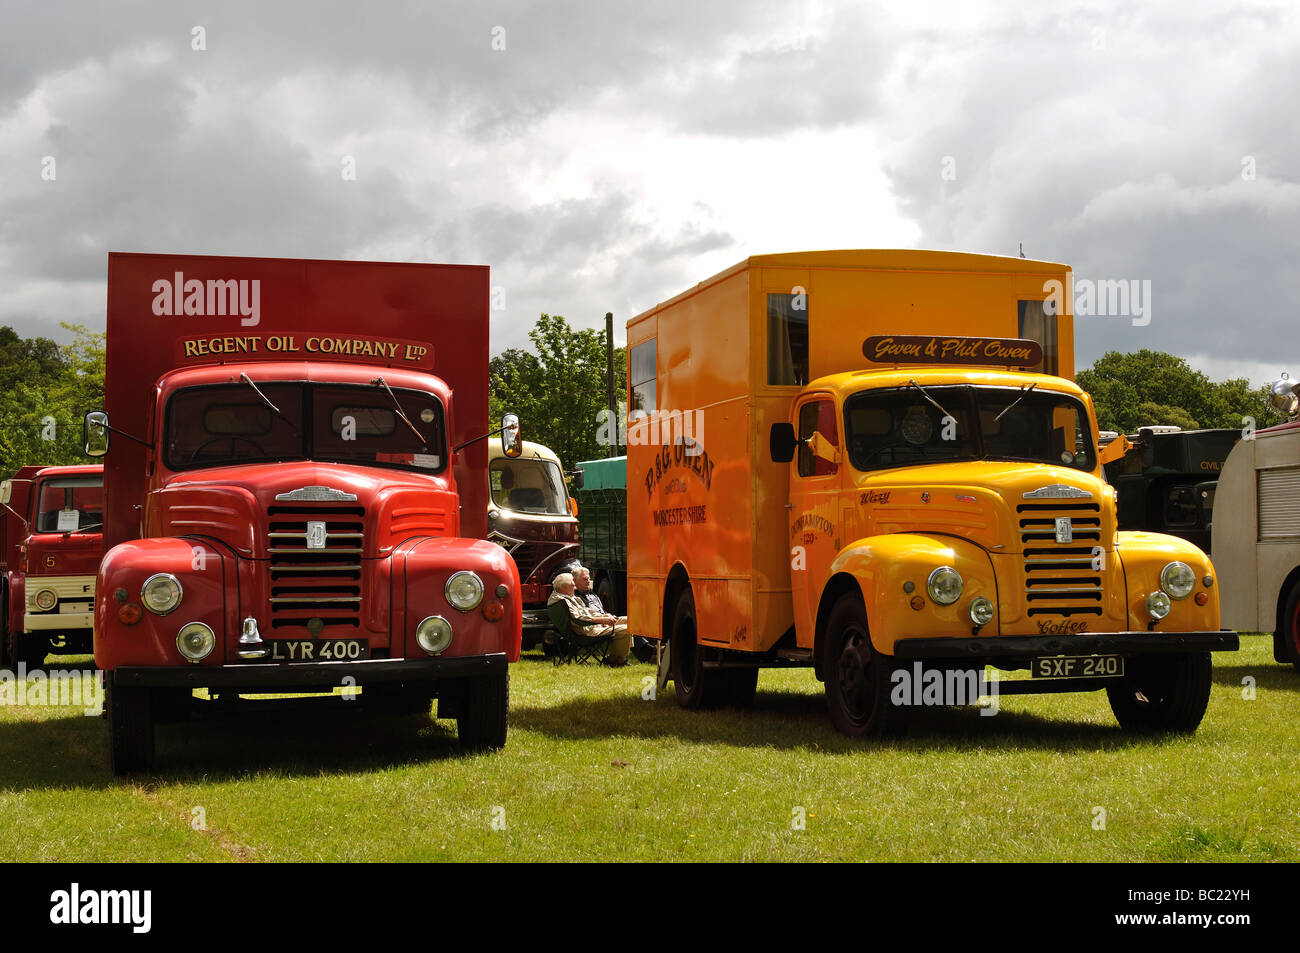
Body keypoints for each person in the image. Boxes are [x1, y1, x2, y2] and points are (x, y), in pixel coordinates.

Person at [571, 564, 655, 663]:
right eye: (585, 579)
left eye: (589, 579)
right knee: (626, 628)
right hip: (597, 624)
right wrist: (602, 619)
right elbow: (587, 615)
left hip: (606, 618)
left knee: (632, 621)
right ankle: (647, 653)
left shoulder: (591, 594)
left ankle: (647, 651)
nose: (588, 581)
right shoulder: (576, 598)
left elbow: (601, 610)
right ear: (575, 581)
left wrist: (609, 615)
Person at [547, 571, 631, 665]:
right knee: (626, 629)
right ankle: (616, 660)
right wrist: (601, 620)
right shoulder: (562, 600)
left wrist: (603, 616)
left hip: (592, 626)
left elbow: (587, 612)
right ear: (563, 586)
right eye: (572, 585)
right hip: (586, 632)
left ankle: (617, 658)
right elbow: (578, 619)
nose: (575, 587)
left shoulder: (569, 597)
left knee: (630, 621)